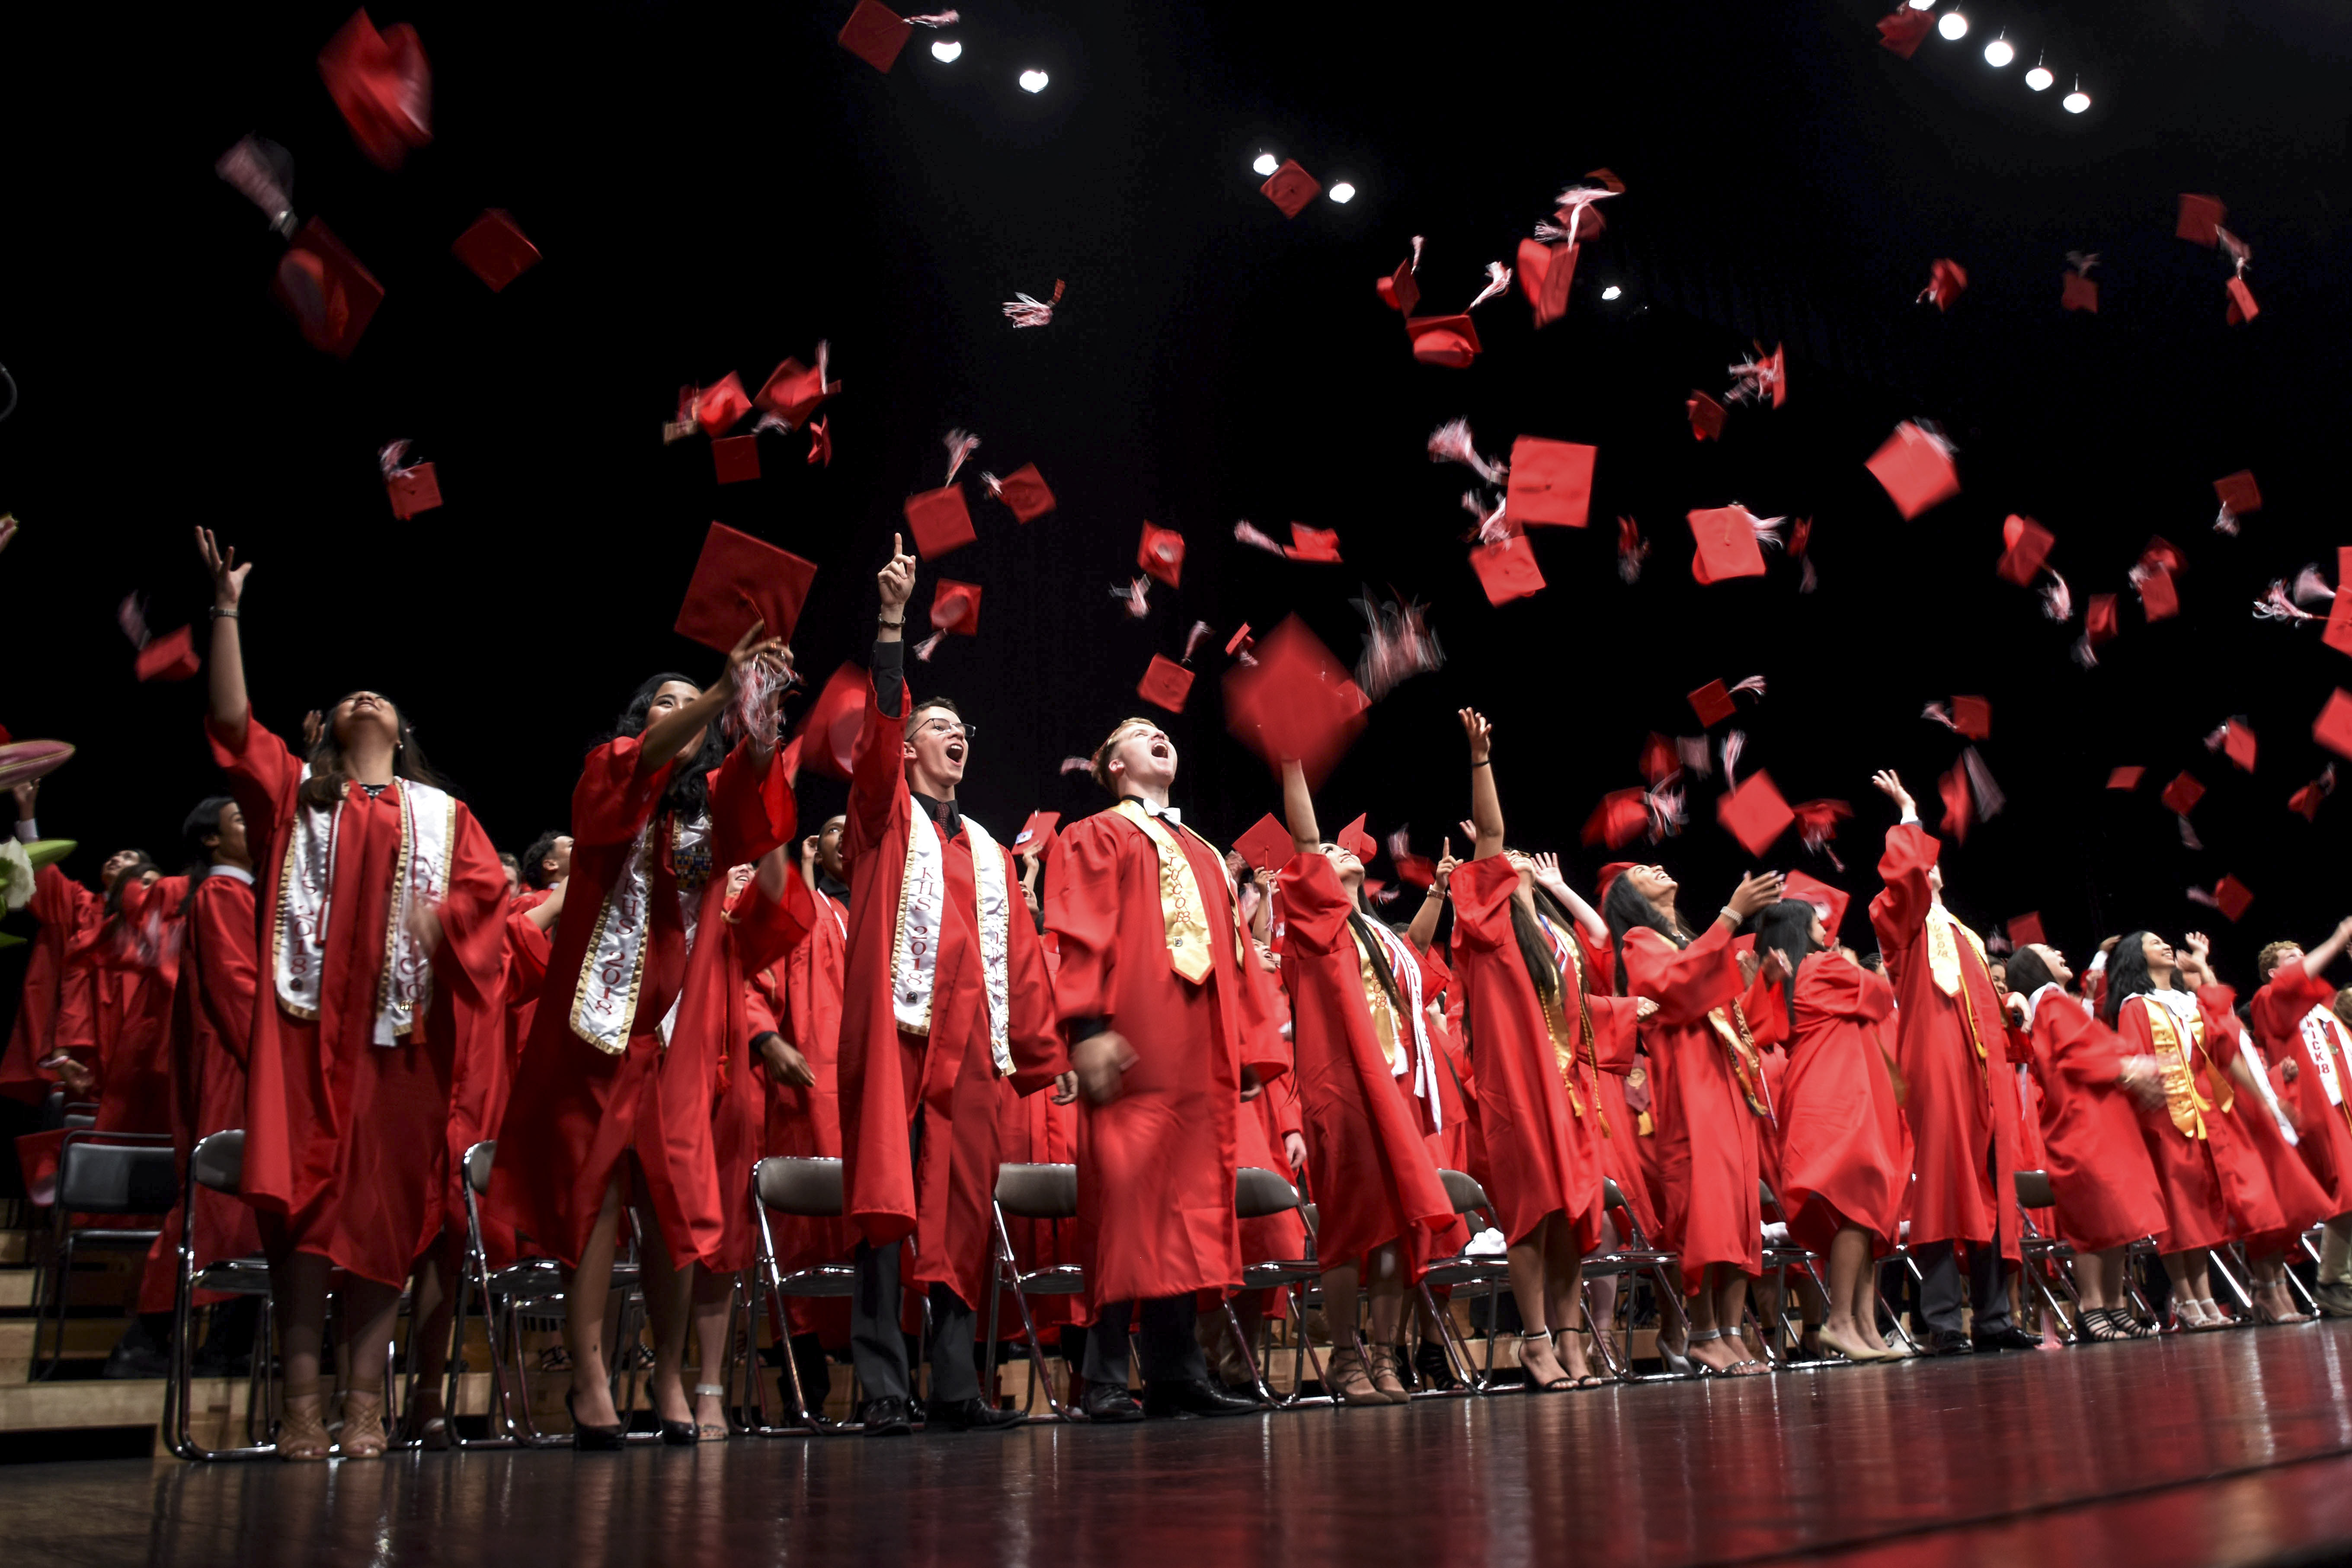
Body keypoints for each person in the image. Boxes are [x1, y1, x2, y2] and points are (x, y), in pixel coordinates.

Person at [195, 528, 509, 1461]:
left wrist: (443, 925)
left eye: (382, 693)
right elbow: (229, 723)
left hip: (402, 1045)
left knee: (379, 1216)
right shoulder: (298, 799)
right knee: (301, 1213)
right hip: (306, 1036)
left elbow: (489, 910)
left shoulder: (445, 817)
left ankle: (364, 1401)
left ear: (402, 728)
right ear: (328, 726)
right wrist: (226, 608)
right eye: (348, 694)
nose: (365, 693)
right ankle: (301, 1402)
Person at [485, 617, 795, 1447]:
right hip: (598, 1030)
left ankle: (664, 1375)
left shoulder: (708, 813)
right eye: (669, 704)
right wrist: (720, 695)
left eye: (695, 705)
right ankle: (589, 1381)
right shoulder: (608, 778)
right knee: (595, 1200)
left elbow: (758, 802)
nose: (684, 714)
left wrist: (758, 709)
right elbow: (636, 767)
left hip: (678, 1035)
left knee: (671, 1209)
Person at [836, 538, 1064, 1436]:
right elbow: (878, 730)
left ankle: (956, 1388)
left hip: (968, 1050)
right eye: (937, 723)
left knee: (960, 1212)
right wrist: (892, 621)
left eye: (959, 724)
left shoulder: (990, 848)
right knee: (888, 1209)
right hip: (899, 1035)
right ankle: (885, 1390)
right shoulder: (881, 815)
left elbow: (1016, 960)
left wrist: (1038, 1052)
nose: (952, 732)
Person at [1048, 712, 1289, 1421]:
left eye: (1163, 731)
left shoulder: (1207, 853)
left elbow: (1241, 956)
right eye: (1135, 731)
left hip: (1199, 1052)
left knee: (1186, 1206)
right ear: (1112, 765)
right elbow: (1082, 926)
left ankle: (1176, 1372)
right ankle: (1099, 1377)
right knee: (1124, 1201)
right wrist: (1087, 1027)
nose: (1157, 735)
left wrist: (1248, 1045)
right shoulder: (1097, 834)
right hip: (1131, 1041)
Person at [1269, 758, 1455, 1403]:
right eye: (1324, 851)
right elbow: (1301, 841)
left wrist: (1436, 894)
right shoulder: (1315, 925)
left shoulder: (1378, 936)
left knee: (1399, 1229)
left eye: (1334, 848)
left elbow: (1421, 975)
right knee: (1351, 1226)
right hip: (1341, 1089)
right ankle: (1342, 1357)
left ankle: (1383, 1356)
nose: (1331, 852)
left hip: (1394, 1087)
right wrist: (1295, 763)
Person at [1866, 770, 2028, 1355]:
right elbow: (1904, 876)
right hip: (1936, 1070)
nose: (1927, 865)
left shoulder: (1958, 930)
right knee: (1942, 1185)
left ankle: (1991, 1318)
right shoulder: (1900, 921)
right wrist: (1908, 810)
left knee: (1986, 1185)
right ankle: (1940, 1319)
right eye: (1917, 862)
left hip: (1982, 1072)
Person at [1603, 841, 1782, 1376]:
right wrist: (1731, 913)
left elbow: (1728, 1019)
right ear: (1630, 900)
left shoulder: (1685, 938)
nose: (1655, 866)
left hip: (1725, 1080)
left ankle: (1730, 1331)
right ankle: (1704, 1332)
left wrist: (1763, 983)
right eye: (1640, 871)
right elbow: (1674, 988)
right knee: (1706, 1209)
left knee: (1737, 1209)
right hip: (1689, 1083)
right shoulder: (1639, 940)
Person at [2104, 930, 2327, 1327]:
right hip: (2164, 1122)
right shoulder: (2135, 1007)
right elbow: (2133, 1066)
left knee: (2201, 1213)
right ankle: (2188, 1301)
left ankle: (2205, 1299)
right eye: (2153, 943)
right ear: (2134, 958)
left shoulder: (2185, 1003)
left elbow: (2225, 1046)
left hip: (2206, 1118)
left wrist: (2264, 1101)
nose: (2164, 945)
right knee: (2179, 1213)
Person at [129, 797, 267, 1376]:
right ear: (211, 840)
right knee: (216, 1195)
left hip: (242, 1057)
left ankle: (228, 1345)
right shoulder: (219, 894)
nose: (253, 826)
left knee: (250, 1203)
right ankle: (148, 1337)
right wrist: (273, 1057)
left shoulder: (244, 896)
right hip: (234, 1061)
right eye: (240, 819)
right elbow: (238, 988)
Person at [1753, 899, 1906, 1361]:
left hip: (1831, 1090)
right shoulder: (1820, 965)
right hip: (1836, 1095)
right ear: (1804, 929)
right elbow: (1880, 995)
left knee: (1862, 1209)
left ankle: (1863, 1325)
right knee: (1859, 1205)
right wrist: (1855, 968)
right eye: (1819, 921)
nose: (1827, 927)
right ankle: (1843, 1320)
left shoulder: (1799, 974)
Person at [2001, 943, 2167, 1340]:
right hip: (2081, 1124)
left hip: (2100, 1120)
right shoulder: (2053, 1007)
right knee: (2095, 1224)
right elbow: (2076, 1055)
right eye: (2047, 951)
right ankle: (2091, 1307)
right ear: (2032, 966)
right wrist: (2127, 1066)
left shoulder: (2060, 1004)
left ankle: (2113, 1305)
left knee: (2115, 1222)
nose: (2059, 952)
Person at [2248, 918, 2352, 1316]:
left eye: (2302, 955)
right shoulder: (2267, 997)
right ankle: (2330, 1282)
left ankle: (2341, 1280)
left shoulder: (2323, 1008)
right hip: (2311, 1108)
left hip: (2341, 1106)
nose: (2302, 962)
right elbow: (2295, 983)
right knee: (2346, 1189)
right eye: (2291, 959)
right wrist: (2338, 938)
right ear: (2274, 972)